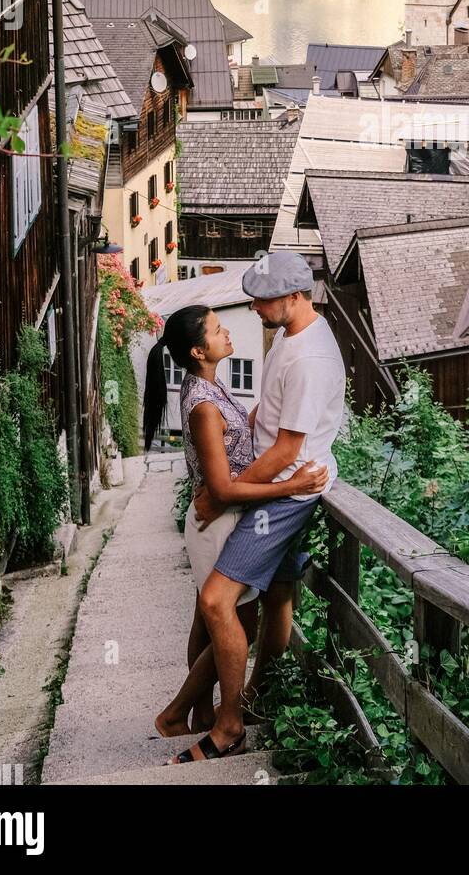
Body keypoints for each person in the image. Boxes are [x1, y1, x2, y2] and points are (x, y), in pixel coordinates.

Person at [172, 252, 347, 764]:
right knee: (279, 594)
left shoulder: (309, 357)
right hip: (283, 485)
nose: (252, 306)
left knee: (215, 602)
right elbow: (269, 413)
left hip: (286, 493)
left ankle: (228, 726)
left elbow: (288, 451)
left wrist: (221, 492)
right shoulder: (292, 337)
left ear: (295, 297)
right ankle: (255, 701)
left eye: (262, 297)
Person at [141, 304, 328, 740]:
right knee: (233, 624)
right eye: (217, 329)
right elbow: (222, 490)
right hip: (218, 522)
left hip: (216, 521)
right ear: (198, 350)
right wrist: (291, 485)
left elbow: (234, 437)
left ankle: (198, 716)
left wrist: (271, 409)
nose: (227, 332)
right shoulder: (202, 404)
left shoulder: (207, 384)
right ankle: (184, 715)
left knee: (206, 622)